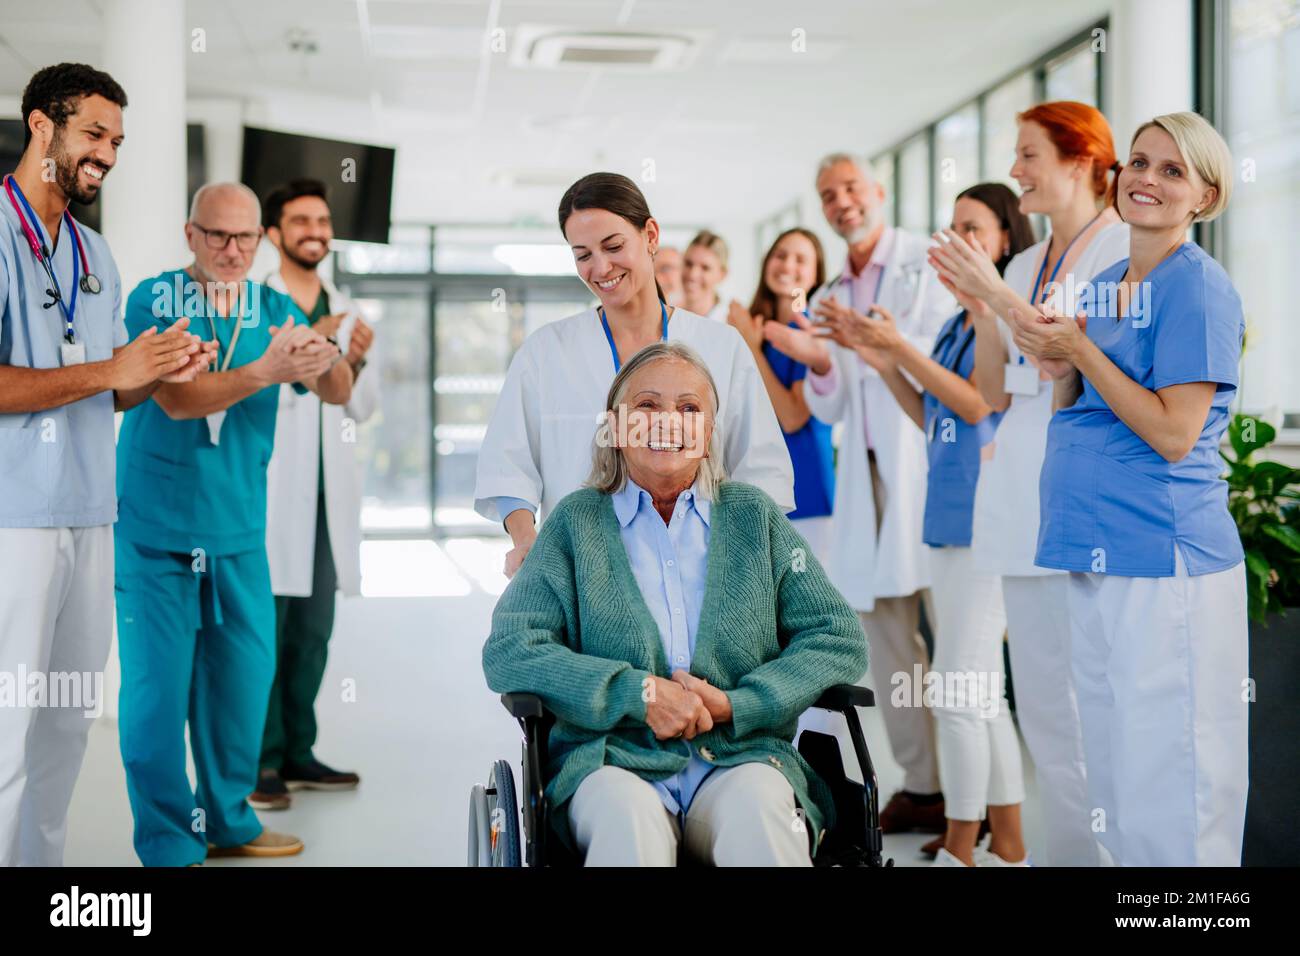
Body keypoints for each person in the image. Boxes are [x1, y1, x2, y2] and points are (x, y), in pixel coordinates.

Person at [482, 342, 867, 865]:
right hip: (613, 762)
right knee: (627, 827)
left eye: (689, 409)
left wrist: (741, 703)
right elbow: (510, 648)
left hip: (741, 759)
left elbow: (836, 636)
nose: (668, 421)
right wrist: (636, 694)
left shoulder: (754, 519)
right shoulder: (576, 525)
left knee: (761, 820)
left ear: (708, 434)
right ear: (615, 428)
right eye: (646, 406)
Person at [1010, 112, 1246, 867]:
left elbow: (1175, 432)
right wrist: (1062, 365)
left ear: (1204, 196)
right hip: (1096, 547)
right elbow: (1086, 404)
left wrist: (1079, 347)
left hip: (1164, 553)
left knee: (1170, 773)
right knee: (1112, 762)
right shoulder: (1109, 284)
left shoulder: (1199, 290)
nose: (1145, 178)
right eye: (1138, 162)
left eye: (1172, 171)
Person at [0, 62, 211, 867]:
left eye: (117, 140)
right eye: (93, 134)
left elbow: (110, 394)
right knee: (7, 729)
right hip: (14, 520)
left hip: (91, 515)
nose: (107, 155)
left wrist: (155, 369)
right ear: (40, 126)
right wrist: (109, 372)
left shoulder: (94, 251)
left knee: (62, 727)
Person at [114, 182, 353, 866]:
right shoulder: (155, 302)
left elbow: (336, 391)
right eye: (216, 235)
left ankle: (230, 820)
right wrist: (266, 369)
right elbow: (180, 401)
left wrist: (323, 361)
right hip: (156, 530)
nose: (231, 250)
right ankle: (167, 840)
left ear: (263, 240)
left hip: (239, 530)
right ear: (191, 235)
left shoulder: (275, 307)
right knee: (158, 695)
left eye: (245, 237)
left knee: (242, 684)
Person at [927, 101, 1128, 865]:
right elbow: (996, 389)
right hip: (1015, 494)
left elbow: (1065, 364)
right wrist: (985, 304)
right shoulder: (1022, 263)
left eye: (1029, 156)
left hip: (1080, 497)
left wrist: (998, 294)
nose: (1016, 171)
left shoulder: (1117, 253)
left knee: (1086, 709)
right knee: (1043, 710)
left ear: (1081, 161)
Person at [762, 153, 956, 835]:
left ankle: (974, 795)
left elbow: (945, 364)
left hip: (931, 467)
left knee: (957, 637)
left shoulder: (923, 262)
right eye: (828, 195)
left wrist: (881, 344)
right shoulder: (827, 297)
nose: (841, 202)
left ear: (877, 191)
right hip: (867, 478)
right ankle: (924, 785)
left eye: (851, 188)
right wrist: (822, 361)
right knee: (888, 639)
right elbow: (836, 404)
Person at [474, 172, 794, 580]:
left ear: (651, 235)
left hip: (700, 575)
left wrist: (744, 562)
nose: (600, 267)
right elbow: (508, 462)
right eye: (582, 254)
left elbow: (762, 468)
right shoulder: (546, 351)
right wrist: (525, 539)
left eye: (613, 246)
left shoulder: (720, 346)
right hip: (583, 574)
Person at [854, 183, 1036, 866]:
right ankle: (1010, 838)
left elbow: (979, 402)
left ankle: (965, 840)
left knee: (959, 691)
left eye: (974, 230)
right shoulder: (959, 324)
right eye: (951, 228)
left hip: (988, 526)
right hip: (950, 525)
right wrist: (887, 362)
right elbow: (935, 417)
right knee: (981, 695)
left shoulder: (1001, 321)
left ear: (1004, 242)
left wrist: (901, 347)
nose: (956, 239)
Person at [252, 178, 380, 810]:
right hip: (276, 493)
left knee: (313, 633)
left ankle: (300, 751)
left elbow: (364, 404)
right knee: (266, 633)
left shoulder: (350, 309)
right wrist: (315, 343)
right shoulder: (256, 304)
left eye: (323, 220)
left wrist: (353, 358)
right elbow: (255, 390)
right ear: (274, 234)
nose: (315, 230)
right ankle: (261, 760)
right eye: (300, 220)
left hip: (331, 497)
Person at [725, 228, 835, 557]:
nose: (787, 265)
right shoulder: (758, 329)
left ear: (816, 274)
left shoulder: (811, 330)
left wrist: (751, 348)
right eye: (780, 254)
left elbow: (792, 416)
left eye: (801, 259)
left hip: (808, 492)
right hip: (759, 487)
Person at [681, 230, 730, 321]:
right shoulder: (667, 314)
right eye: (688, 264)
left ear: (722, 274)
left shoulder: (730, 325)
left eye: (705, 268)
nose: (692, 274)